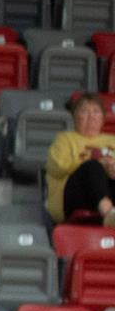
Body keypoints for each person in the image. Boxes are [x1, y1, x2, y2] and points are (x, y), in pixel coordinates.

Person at [42, 94, 115, 227]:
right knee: (93, 166)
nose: (91, 116)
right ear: (75, 117)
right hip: (74, 197)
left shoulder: (112, 140)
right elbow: (57, 167)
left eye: (96, 111)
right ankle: (109, 214)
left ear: (103, 118)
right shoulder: (64, 140)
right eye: (85, 111)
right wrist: (96, 164)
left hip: (109, 190)